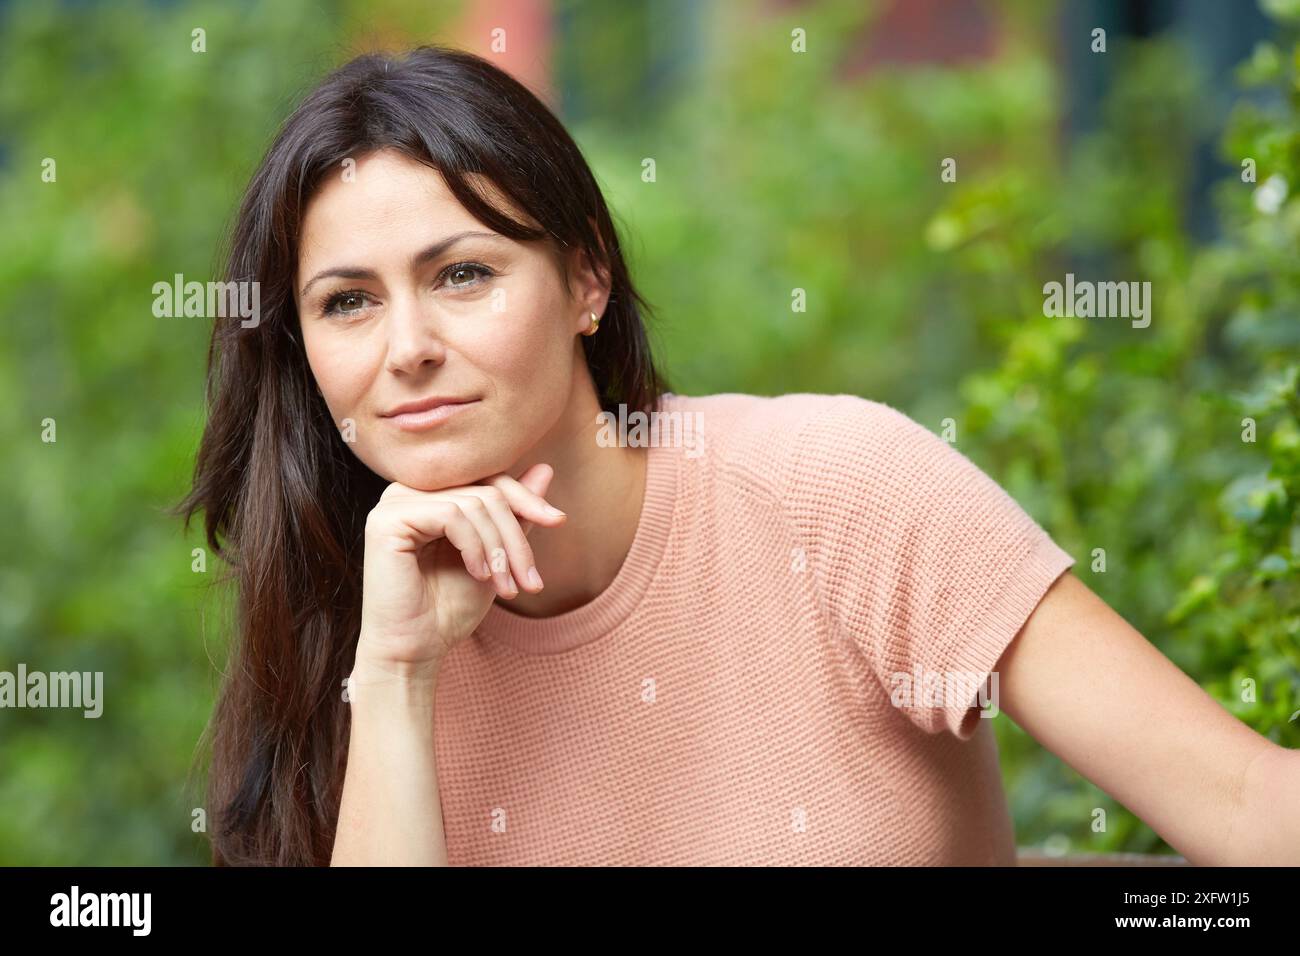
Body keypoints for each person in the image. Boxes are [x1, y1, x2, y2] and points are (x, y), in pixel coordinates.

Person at [179, 45, 1297, 866]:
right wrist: (396, 676)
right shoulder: (350, 624)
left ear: (585, 280)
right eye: (347, 302)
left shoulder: (832, 490)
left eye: (462, 273)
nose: (409, 349)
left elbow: (1243, 804)